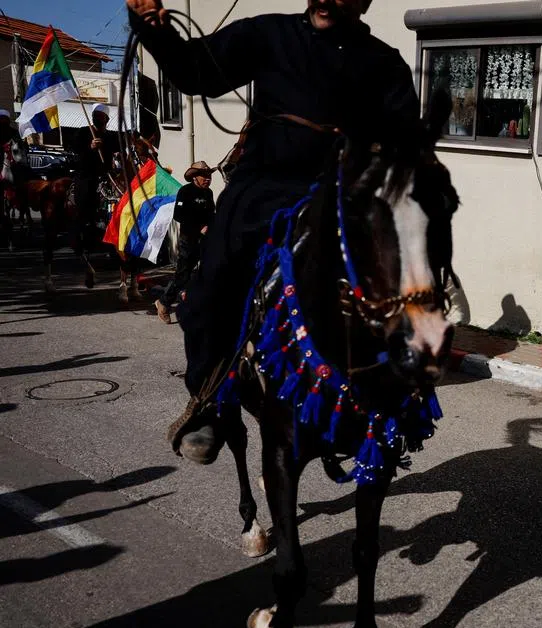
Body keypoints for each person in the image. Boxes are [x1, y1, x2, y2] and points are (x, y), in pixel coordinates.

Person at [127, 0, 422, 464]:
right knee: (212, 280)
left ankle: (391, 406)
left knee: (394, 285)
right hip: (263, 187)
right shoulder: (267, 33)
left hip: (341, 194)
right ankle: (207, 398)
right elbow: (197, 72)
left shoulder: (384, 63)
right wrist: (153, 29)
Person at [156, 161, 215, 324]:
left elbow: (212, 214)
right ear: (195, 177)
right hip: (188, 240)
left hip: (205, 241)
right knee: (182, 275)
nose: (208, 179)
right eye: (204, 176)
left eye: (209, 176)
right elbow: (179, 215)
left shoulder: (208, 193)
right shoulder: (185, 192)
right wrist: (199, 228)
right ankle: (163, 303)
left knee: (207, 273)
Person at [69, 103, 115, 258]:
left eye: (101, 116)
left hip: (106, 176)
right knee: (84, 203)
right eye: (96, 116)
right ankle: (80, 239)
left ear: (106, 119)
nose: (98, 119)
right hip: (86, 175)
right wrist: (90, 147)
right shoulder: (83, 132)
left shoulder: (110, 136)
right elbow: (75, 151)